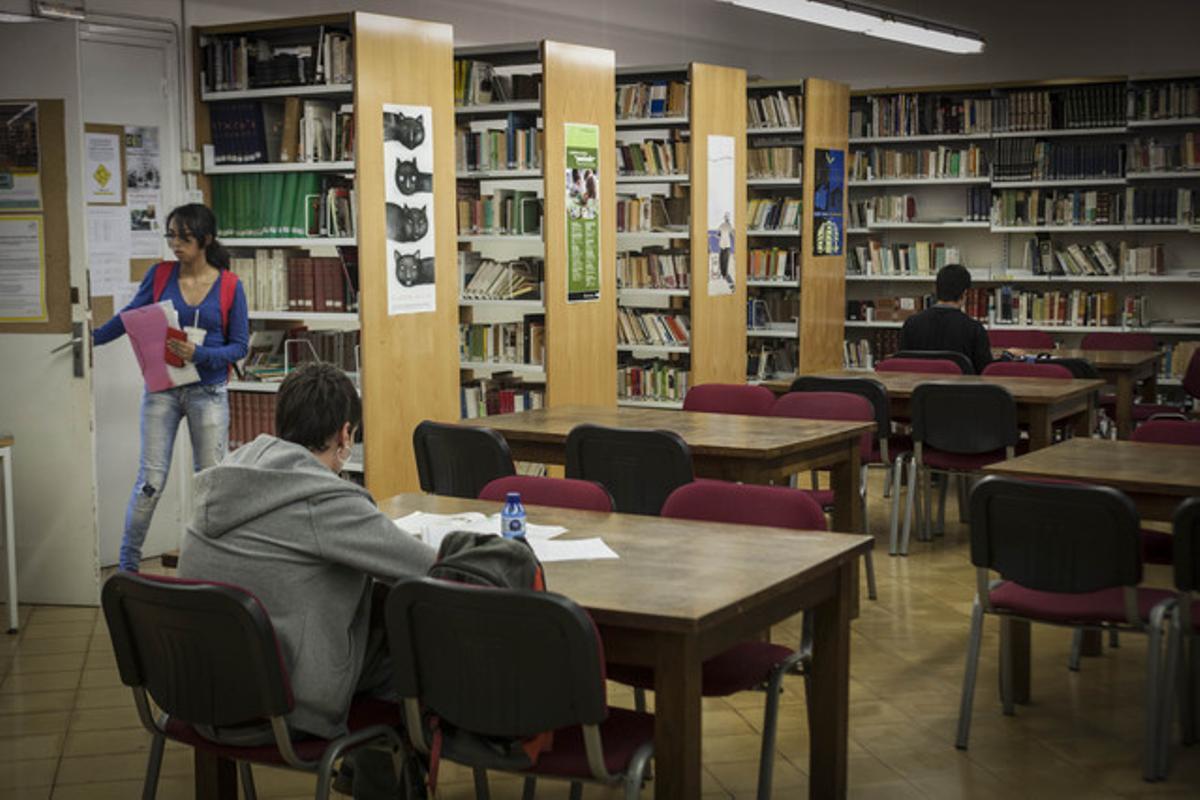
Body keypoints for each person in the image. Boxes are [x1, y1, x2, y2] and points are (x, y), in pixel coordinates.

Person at [178, 362, 436, 798]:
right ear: (346, 435)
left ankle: (370, 774)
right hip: (282, 709)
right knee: (413, 645)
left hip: (197, 692)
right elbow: (429, 569)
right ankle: (382, 782)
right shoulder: (323, 499)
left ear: (280, 423)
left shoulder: (228, 476)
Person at [93, 203, 249, 571]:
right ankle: (127, 570)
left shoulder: (229, 285)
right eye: (171, 236)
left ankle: (212, 565)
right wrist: (93, 338)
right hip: (163, 389)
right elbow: (129, 317)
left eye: (184, 237)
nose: (175, 244)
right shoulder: (160, 275)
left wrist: (200, 352)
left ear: (206, 239)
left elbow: (239, 347)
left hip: (208, 392)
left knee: (210, 483)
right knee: (150, 481)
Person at [899, 263, 991, 374]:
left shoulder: (911, 324)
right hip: (961, 390)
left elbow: (903, 365)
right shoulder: (975, 329)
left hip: (921, 389)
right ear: (965, 293)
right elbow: (986, 372)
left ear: (936, 290)